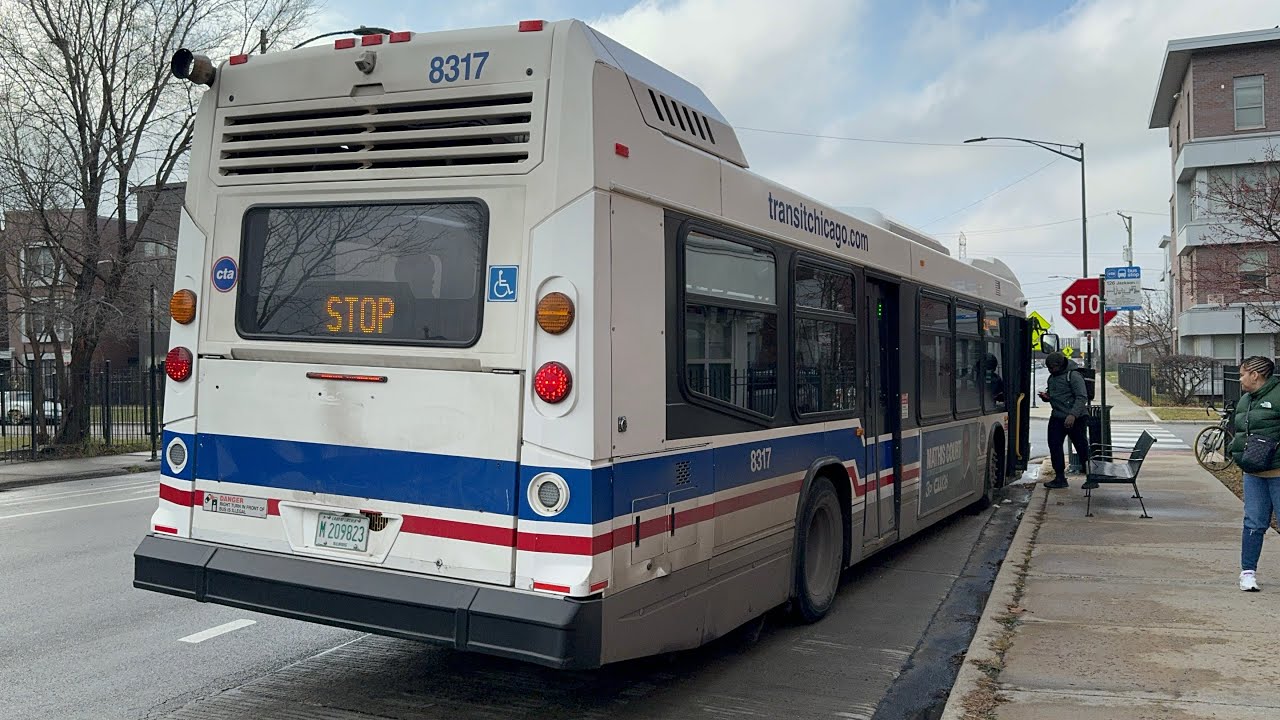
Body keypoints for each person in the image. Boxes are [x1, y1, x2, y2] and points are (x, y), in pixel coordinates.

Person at [1227, 355, 1280, 592]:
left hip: (1278, 473)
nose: (1240, 379)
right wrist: (1235, 451)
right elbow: (1240, 431)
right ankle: (1247, 573)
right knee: (1253, 523)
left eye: (1242, 374)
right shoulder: (1246, 400)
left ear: (1255, 375)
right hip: (1254, 474)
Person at [1038, 351, 1089, 489]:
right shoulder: (1052, 377)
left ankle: (1091, 476)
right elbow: (1055, 395)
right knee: (1054, 446)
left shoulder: (1073, 375)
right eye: (1049, 367)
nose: (1050, 370)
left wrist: (1072, 415)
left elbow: (1081, 397)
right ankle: (1060, 477)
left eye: (1053, 367)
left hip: (1076, 418)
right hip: (1057, 417)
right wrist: (1047, 397)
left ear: (1060, 365)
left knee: (1081, 447)